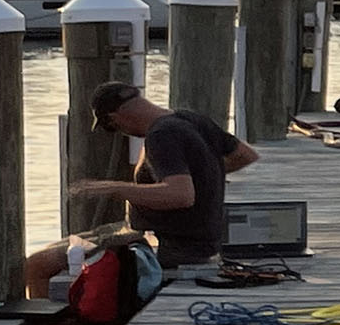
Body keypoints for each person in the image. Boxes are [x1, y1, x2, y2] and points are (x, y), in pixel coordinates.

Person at [24, 82, 261, 299]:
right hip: (196, 241)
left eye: (113, 127)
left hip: (169, 246)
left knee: (36, 265)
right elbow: (245, 155)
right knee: (53, 249)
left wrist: (116, 188)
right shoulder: (192, 119)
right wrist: (201, 176)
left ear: (115, 117)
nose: (121, 133)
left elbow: (181, 196)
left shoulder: (161, 135)